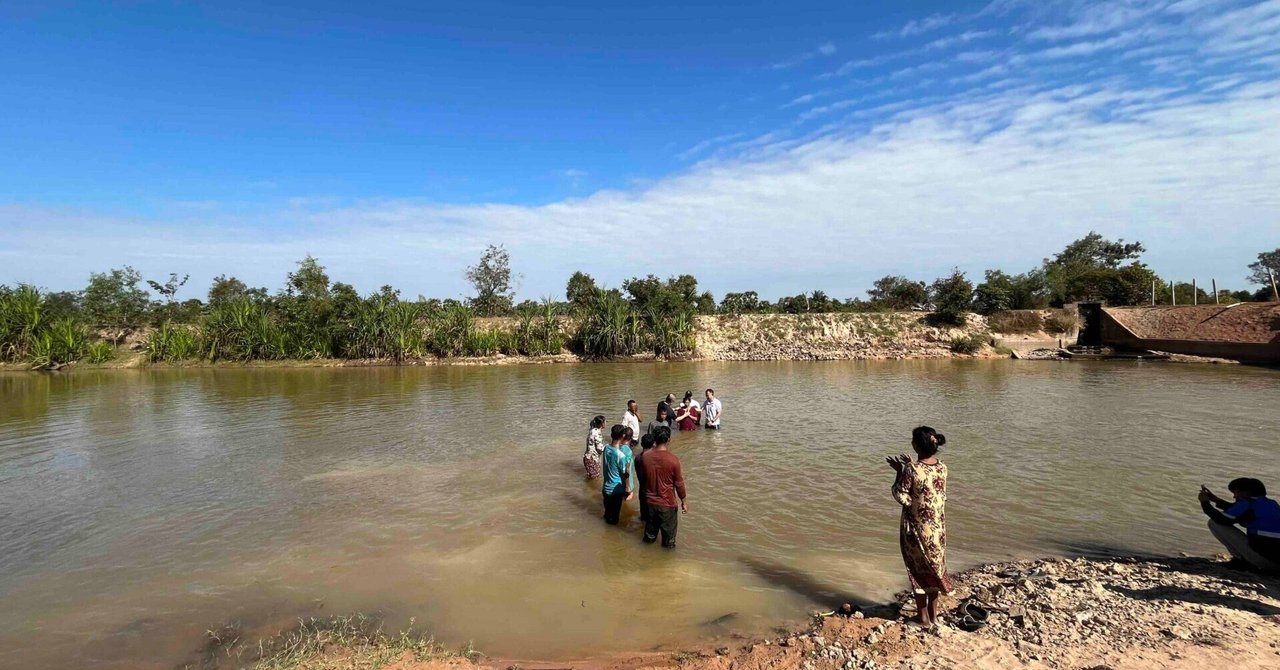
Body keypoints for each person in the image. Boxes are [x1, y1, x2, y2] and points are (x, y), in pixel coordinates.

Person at [887, 425, 952, 627]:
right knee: (935, 569)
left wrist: (900, 472)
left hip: (917, 529)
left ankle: (923, 618)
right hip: (938, 530)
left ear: (916, 445)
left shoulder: (911, 469)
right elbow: (932, 490)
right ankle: (933, 617)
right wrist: (909, 466)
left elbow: (901, 495)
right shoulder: (942, 468)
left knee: (918, 570)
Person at [1200, 478, 1280, 571]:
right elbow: (1240, 513)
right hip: (1277, 563)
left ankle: (1240, 560)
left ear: (1245, 493)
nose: (1234, 496)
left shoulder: (1246, 503)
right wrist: (1217, 500)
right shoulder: (1272, 504)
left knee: (1214, 523)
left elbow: (1221, 519)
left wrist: (1205, 503)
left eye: (1235, 492)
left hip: (1265, 562)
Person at [640, 426, 686, 548]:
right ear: (669, 440)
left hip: (650, 503)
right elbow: (679, 484)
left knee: (649, 538)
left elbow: (644, 479)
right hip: (667, 504)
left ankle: (643, 557)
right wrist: (684, 501)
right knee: (669, 542)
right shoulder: (674, 460)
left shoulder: (645, 457)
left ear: (654, 439)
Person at [601, 424, 634, 525]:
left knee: (607, 515)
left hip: (605, 488)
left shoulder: (606, 448)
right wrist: (628, 488)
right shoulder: (620, 455)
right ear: (623, 436)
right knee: (614, 520)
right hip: (616, 490)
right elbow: (625, 474)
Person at [635, 433, 656, 525]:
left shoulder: (637, 458)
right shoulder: (652, 458)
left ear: (641, 444)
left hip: (642, 490)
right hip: (652, 492)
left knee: (643, 518)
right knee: (652, 520)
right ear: (653, 444)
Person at [583, 415, 607, 479]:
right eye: (605, 421)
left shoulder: (592, 430)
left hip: (588, 457)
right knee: (594, 479)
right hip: (592, 459)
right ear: (602, 423)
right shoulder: (597, 433)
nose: (606, 423)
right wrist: (608, 448)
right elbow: (599, 448)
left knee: (591, 478)